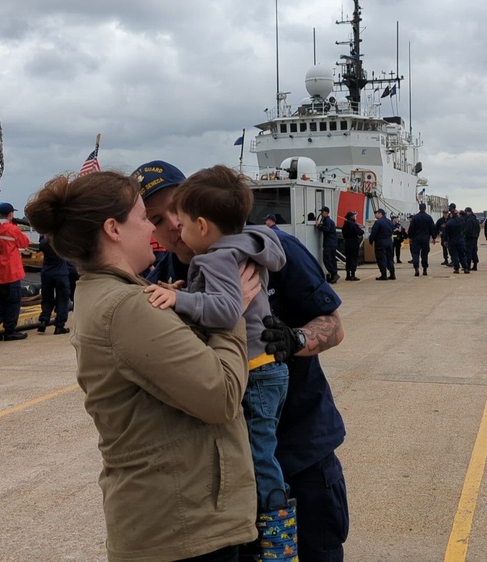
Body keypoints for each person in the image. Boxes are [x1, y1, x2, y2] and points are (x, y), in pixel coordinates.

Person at [24, 171, 259, 561]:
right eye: (142, 216)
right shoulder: (126, 307)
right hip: (181, 527)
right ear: (113, 229)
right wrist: (233, 314)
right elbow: (220, 396)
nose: (154, 226)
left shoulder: (110, 293)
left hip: (170, 518)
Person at [134, 160, 350, 561]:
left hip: (298, 452)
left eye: (174, 212)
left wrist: (295, 339)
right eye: (155, 219)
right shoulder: (164, 281)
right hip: (222, 475)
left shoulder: (270, 251)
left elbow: (334, 325)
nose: (171, 228)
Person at [142, 165, 295, 559]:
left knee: (259, 456)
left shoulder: (215, 258)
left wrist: (180, 300)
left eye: (183, 220)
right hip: (268, 372)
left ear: (204, 226)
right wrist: (183, 290)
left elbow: (227, 310)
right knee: (258, 452)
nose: (176, 227)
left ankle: (279, 539)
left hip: (256, 372)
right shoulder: (245, 245)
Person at [0, 202, 31, 341]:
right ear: (10, 214)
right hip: (11, 272)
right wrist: (14, 226)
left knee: (2, 301)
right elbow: (24, 242)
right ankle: (10, 330)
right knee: (14, 302)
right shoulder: (12, 229)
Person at [36, 235, 71, 335]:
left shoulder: (43, 243)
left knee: (47, 298)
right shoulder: (61, 242)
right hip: (61, 273)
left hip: (46, 273)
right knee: (63, 299)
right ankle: (59, 325)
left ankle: (44, 321)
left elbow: (40, 245)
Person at [406, 202, 437, 277]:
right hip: (425, 239)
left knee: (415, 253)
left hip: (416, 238)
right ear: (425, 208)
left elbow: (411, 228)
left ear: (419, 208)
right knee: (424, 254)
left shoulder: (415, 218)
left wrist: (410, 237)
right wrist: (433, 237)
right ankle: (425, 269)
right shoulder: (428, 217)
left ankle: (416, 267)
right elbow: (432, 228)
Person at [369, 208, 396, 281]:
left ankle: (383, 274)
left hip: (380, 242)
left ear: (380, 213)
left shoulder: (378, 222)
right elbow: (393, 229)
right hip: (389, 241)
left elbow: (373, 233)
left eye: (376, 213)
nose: (375, 215)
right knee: (389, 258)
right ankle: (392, 273)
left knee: (381, 258)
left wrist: (371, 241)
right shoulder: (389, 222)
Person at [315, 205, 339, 284]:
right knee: (332, 259)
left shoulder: (327, 221)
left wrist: (318, 226)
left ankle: (333, 273)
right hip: (333, 243)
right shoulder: (330, 221)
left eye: (322, 212)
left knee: (326, 259)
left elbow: (326, 229)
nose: (321, 214)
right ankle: (334, 275)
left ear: (326, 212)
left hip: (329, 243)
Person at [444, 206, 469, 274]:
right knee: (462, 254)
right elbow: (465, 228)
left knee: (454, 255)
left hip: (452, 240)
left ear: (451, 214)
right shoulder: (461, 220)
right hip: (460, 239)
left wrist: (445, 241)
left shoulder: (449, 223)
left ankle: (456, 268)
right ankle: (465, 267)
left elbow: (446, 233)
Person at [341, 210, 364, 281]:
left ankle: (347, 275)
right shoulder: (354, 225)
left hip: (347, 243)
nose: (355, 217)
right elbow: (360, 233)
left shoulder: (345, 225)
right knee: (354, 258)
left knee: (348, 259)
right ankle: (353, 275)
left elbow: (343, 234)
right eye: (354, 216)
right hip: (354, 243)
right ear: (351, 217)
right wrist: (360, 229)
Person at [463, 207, 481, 271]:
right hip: (475, 238)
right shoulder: (475, 219)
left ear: (469, 212)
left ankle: (468, 266)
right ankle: (475, 265)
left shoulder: (469, 220)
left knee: (468, 252)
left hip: (469, 238)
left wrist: (465, 236)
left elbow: (468, 230)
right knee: (474, 251)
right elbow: (479, 229)